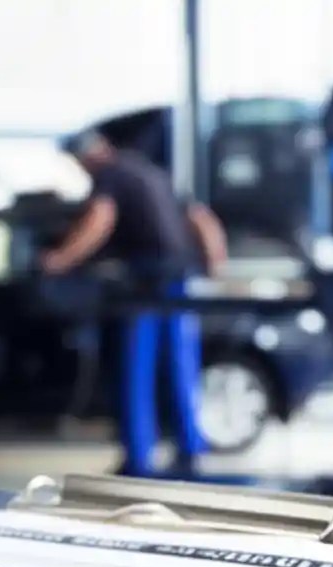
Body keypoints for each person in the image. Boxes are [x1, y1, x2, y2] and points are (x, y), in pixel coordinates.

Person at [44, 130, 227, 476]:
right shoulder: (151, 171)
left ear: (88, 156)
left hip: (144, 283)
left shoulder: (110, 175)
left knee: (135, 369)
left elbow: (100, 219)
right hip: (180, 276)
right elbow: (201, 217)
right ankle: (190, 448)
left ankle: (139, 457)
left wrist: (60, 259)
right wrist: (215, 260)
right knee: (181, 364)